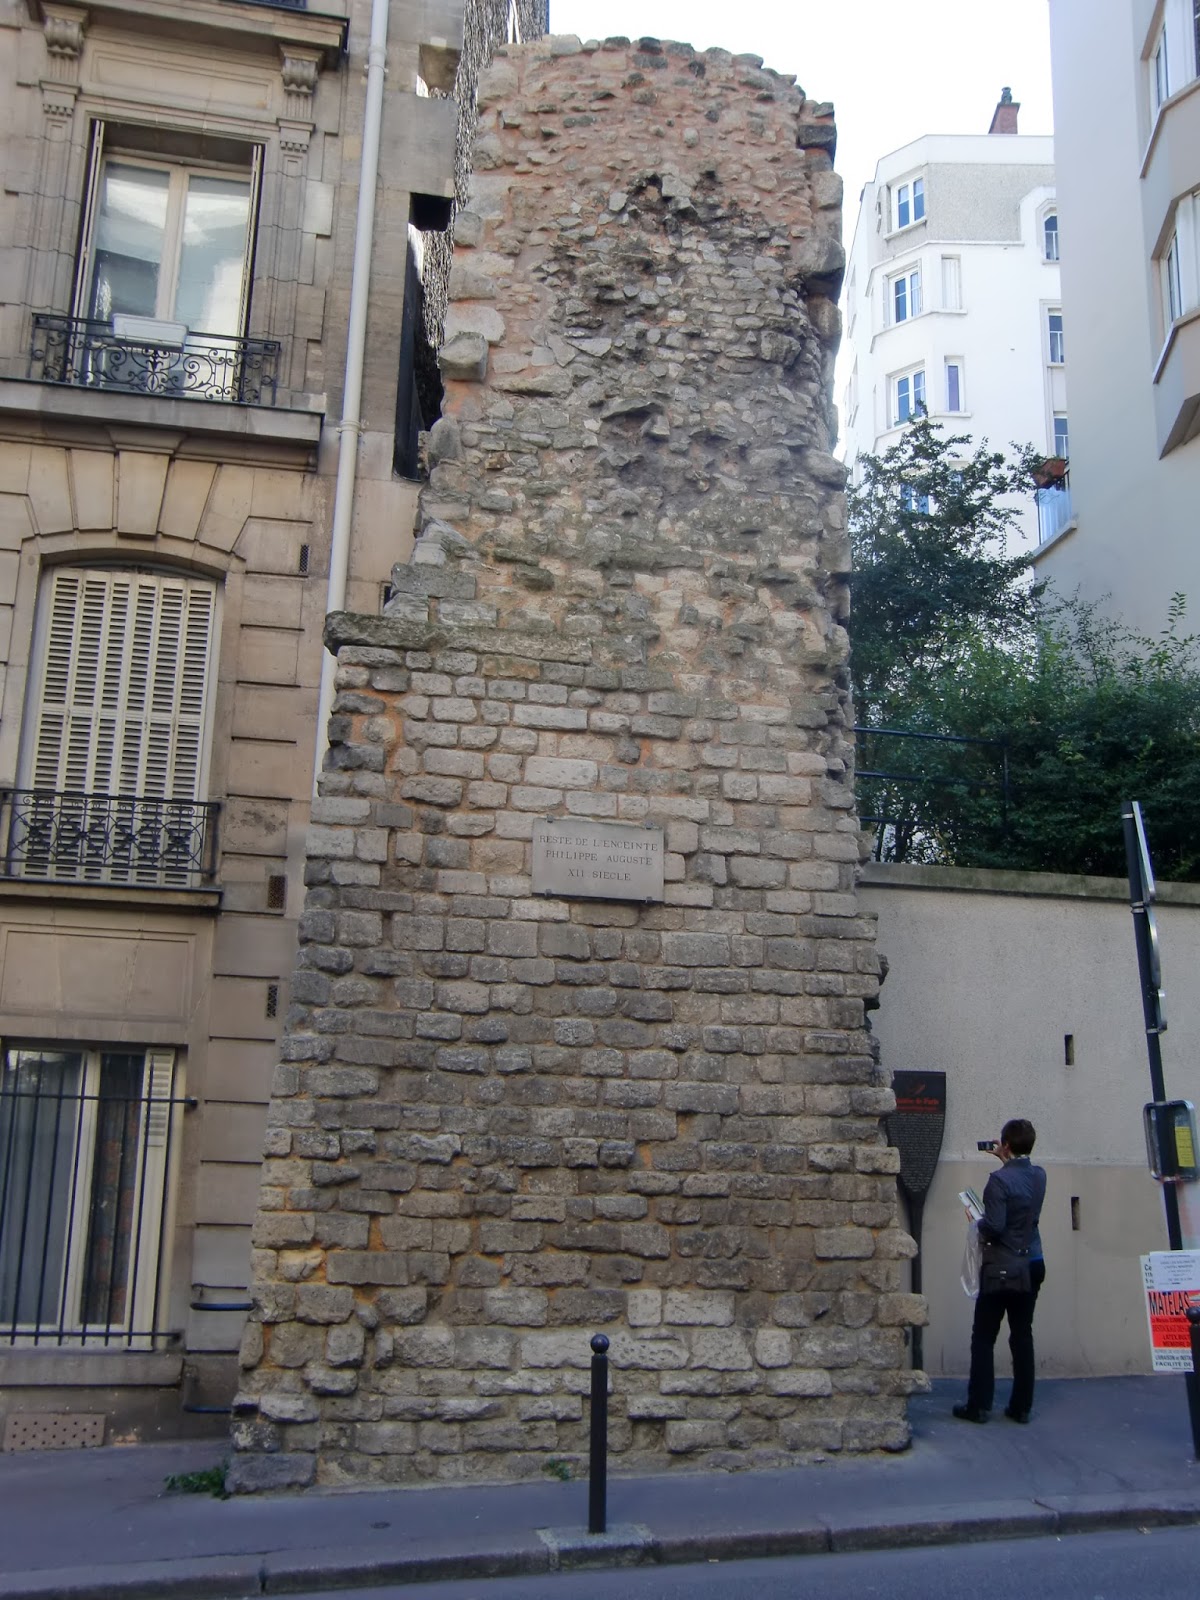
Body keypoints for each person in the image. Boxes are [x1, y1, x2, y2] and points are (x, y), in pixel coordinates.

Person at [954, 1117, 1047, 1425]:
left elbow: (994, 1226)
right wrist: (1007, 1157)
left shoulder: (998, 1181)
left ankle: (979, 1405)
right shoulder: (1039, 1176)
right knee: (1022, 1334)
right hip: (1032, 1262)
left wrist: (975, 1219)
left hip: (1002, 1269)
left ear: (1005, 1144)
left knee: (983, 1336)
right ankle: (1022, 1406)